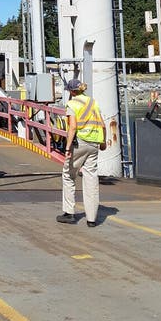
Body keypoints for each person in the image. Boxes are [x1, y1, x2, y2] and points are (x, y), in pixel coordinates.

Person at [57, 78, 106, 227]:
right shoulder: (93, 102)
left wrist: (67, 148)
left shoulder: (72, 104)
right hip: (94, 143)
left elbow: (72, 127)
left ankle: (69, 213)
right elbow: (103, 125)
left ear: (72, 92)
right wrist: (103, 142)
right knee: (91, 179)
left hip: (79, 143)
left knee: (68, 175)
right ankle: (91, 219)